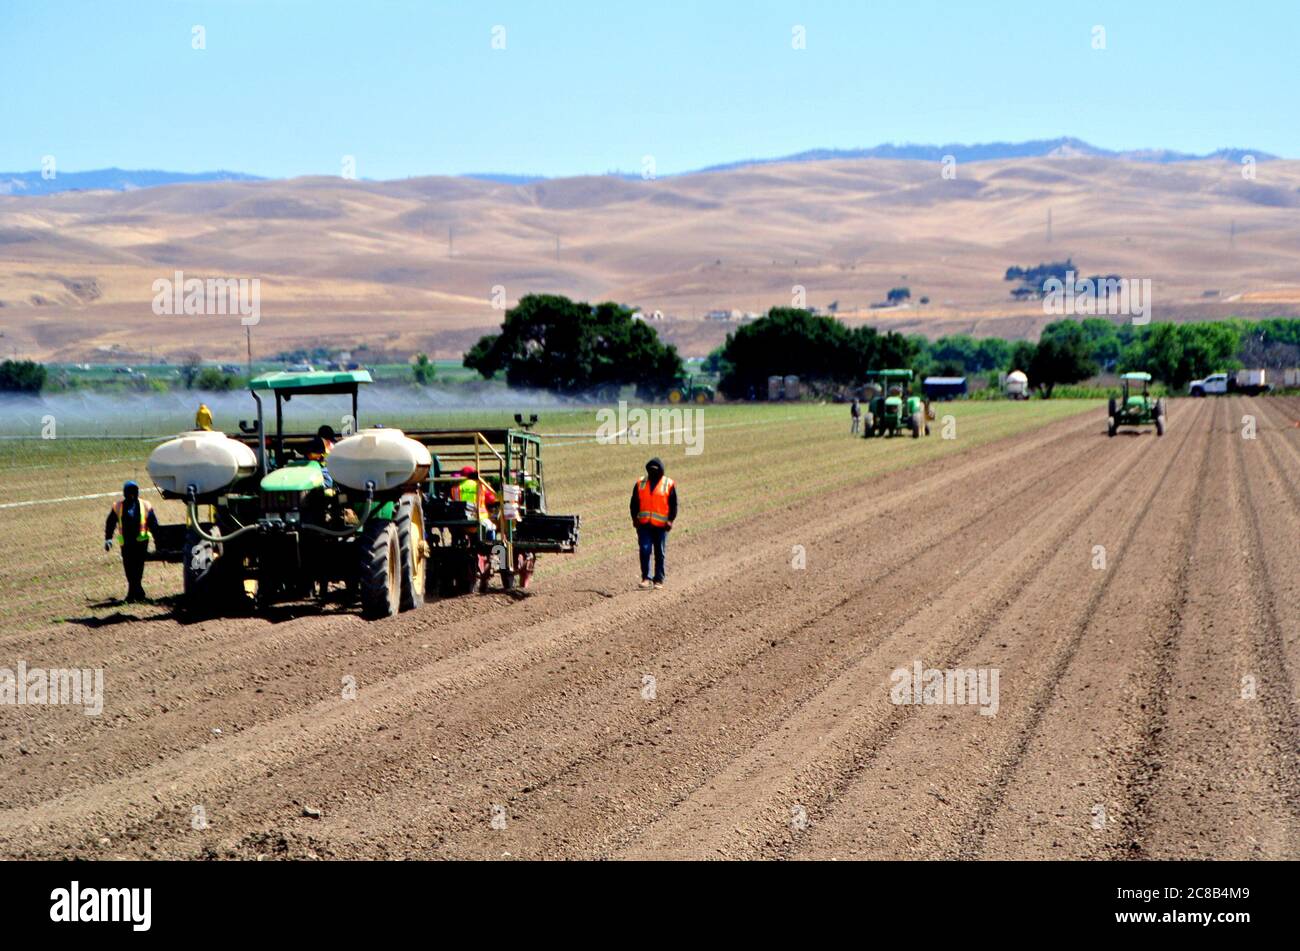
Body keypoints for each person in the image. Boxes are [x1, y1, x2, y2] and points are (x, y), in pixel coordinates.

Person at [104, 480, 160, 602]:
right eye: (129, 491)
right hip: (126, 543)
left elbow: (153, 524)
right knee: (129, 568)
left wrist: (158, 540)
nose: (132, 494)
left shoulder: (145, 505)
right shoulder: (118, 506)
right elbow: (110, 523)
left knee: (138, 568)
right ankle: (136, 592)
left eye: (134, 491)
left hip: (141, 542)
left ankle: (134, 592)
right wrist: (108, 538)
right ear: (125, 493)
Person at [630, 457, 676, 590]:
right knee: (644, 550)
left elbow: (673, 505)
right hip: (644, 524)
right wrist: (635, 518)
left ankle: (659, 579)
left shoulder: (668, 484)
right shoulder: (640, 483)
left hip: (661, 526)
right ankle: (646, 578)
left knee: (659, 552)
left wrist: (670, 520)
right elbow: (634, 503)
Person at [451, 465, 497, 538]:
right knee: (492, 528)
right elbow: (491, 499)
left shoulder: (455, 487)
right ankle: (492, 547)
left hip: (460, 522)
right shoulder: (481, 485)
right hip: (479, 519)